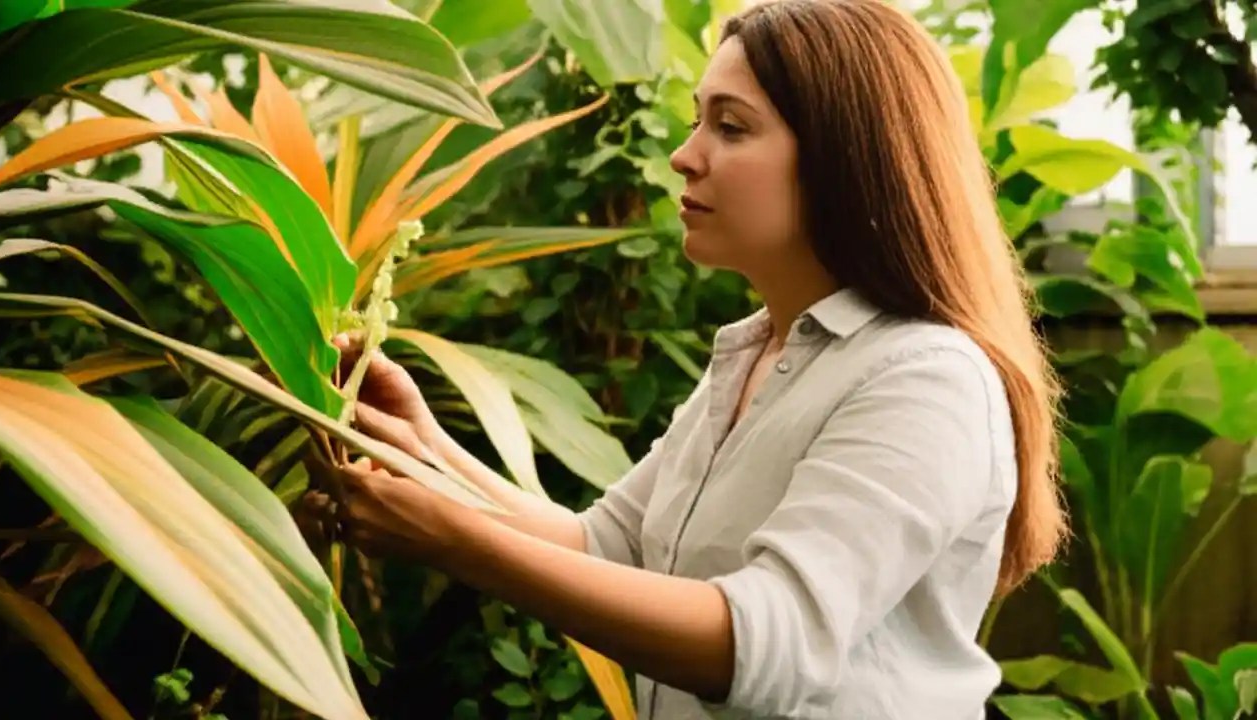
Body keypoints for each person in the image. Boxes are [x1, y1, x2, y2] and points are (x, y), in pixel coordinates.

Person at [302, 0, 1070, 717]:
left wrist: (454, 540)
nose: (683, 156)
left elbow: (768, 641)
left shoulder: (924, 378)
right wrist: (423, 448)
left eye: (731, 128)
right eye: (699, 121)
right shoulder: (754, 353)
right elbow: (612, 546)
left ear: (846, 155)